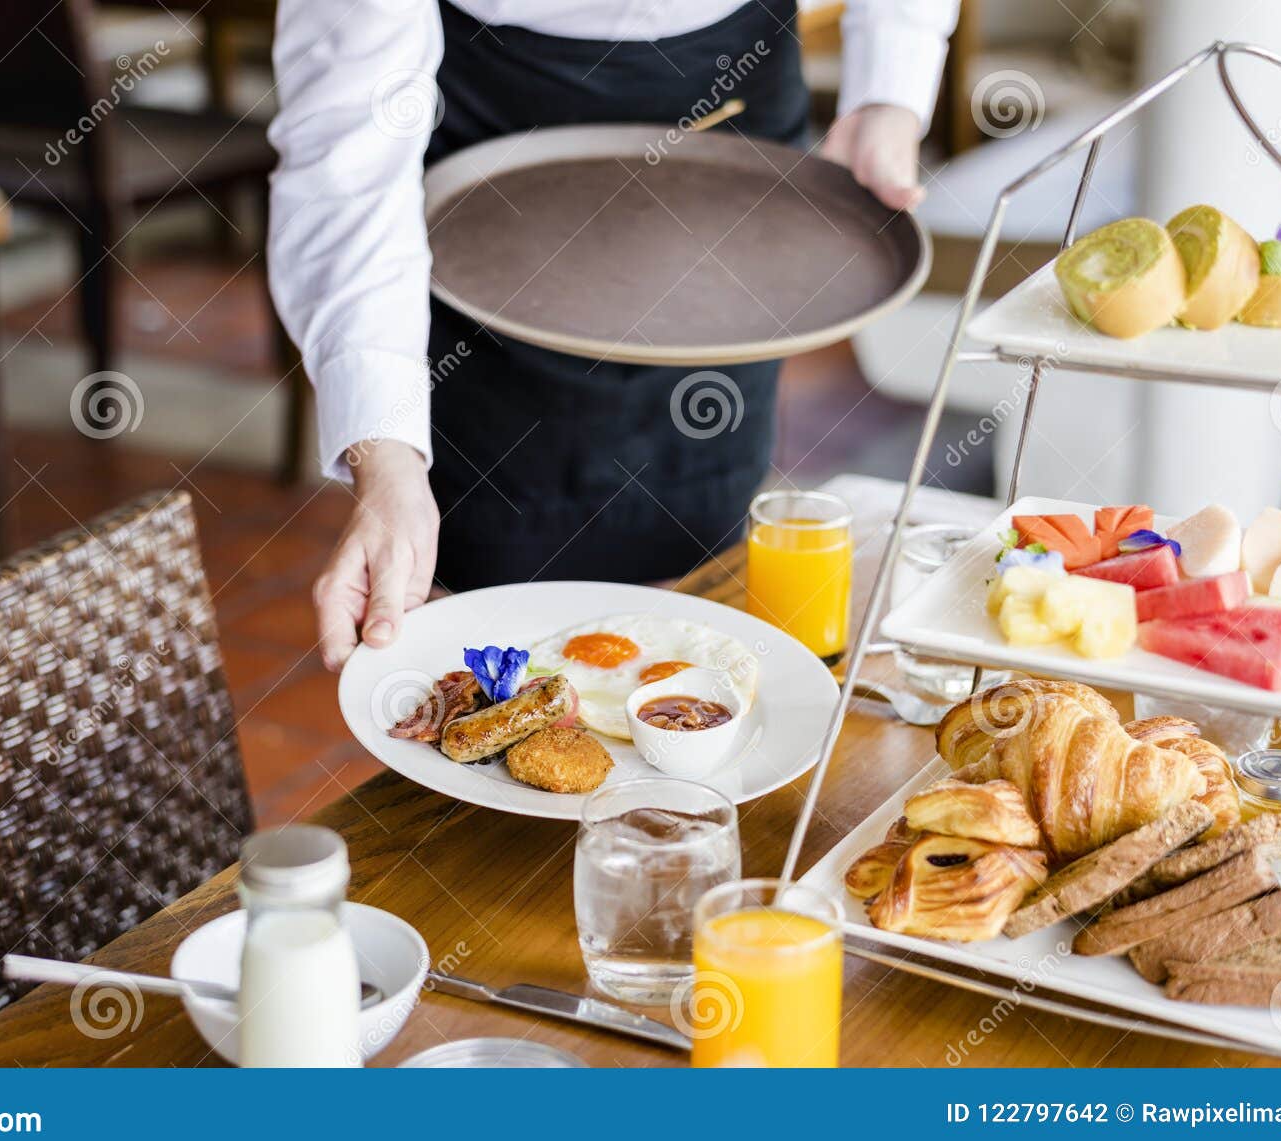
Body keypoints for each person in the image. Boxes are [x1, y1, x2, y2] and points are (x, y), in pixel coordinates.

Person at [268, 0, 960, 671]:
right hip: (500, 147)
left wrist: (889, 91)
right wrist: (387, 462)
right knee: (500, 583)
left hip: (729, 128)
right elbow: (348, 161)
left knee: (705, 523)